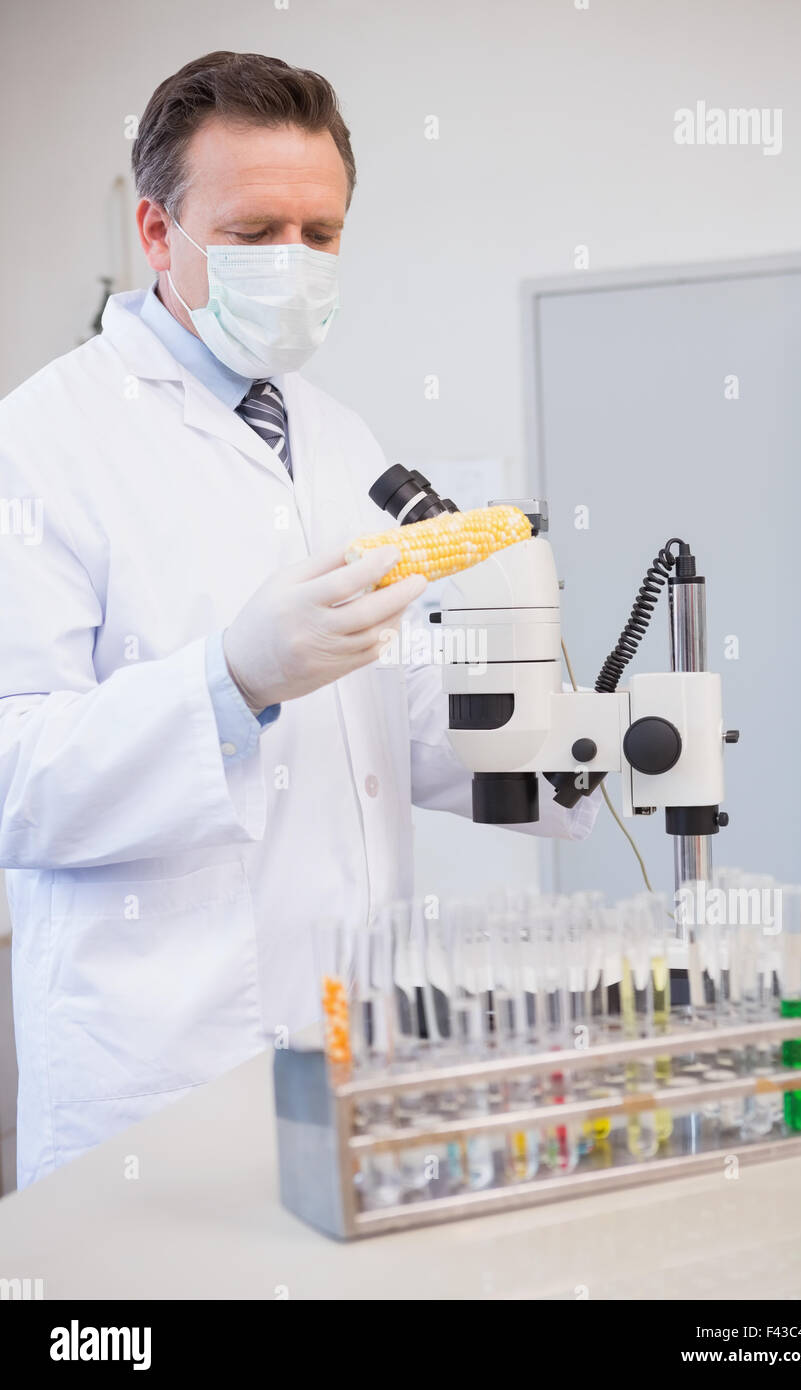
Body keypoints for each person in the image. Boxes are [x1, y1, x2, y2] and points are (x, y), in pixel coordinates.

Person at [0, 51, 599, 1187]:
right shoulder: (39, 445)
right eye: (255, 229)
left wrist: (560, 740)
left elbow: (393, 719)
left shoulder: (335, 436)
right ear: (156, 231)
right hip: (160, 1066)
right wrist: (228, 683)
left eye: (319, 234)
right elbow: (13, 774)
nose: (295, 263)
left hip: (357, 1033)